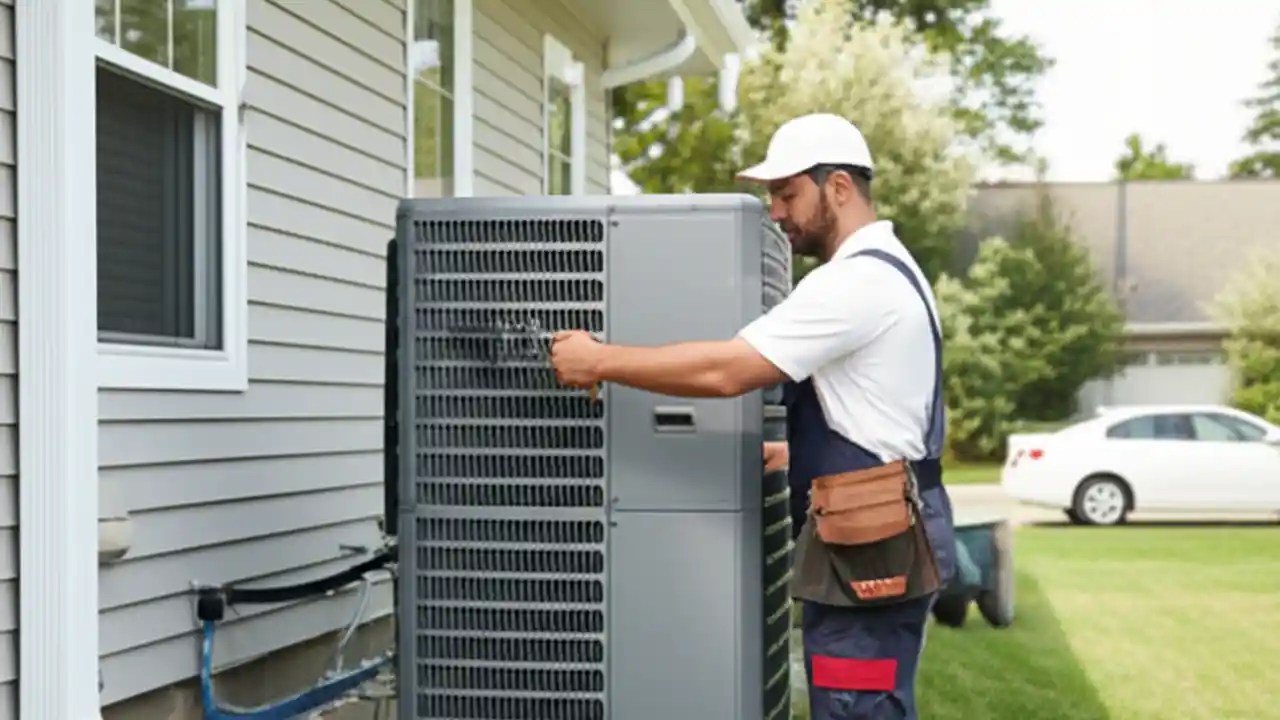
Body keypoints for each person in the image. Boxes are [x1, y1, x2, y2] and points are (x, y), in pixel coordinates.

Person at [549, 112, 956, 720]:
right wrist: (795, 456)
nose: (776, 212)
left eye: (787, 193)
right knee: (866, 698)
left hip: (869, 548)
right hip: (885, 530)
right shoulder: (895, 270)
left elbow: (727, 370)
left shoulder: (855, 282)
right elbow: (882, 414)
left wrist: (599, 361)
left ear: (839, 187)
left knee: (857, 705)